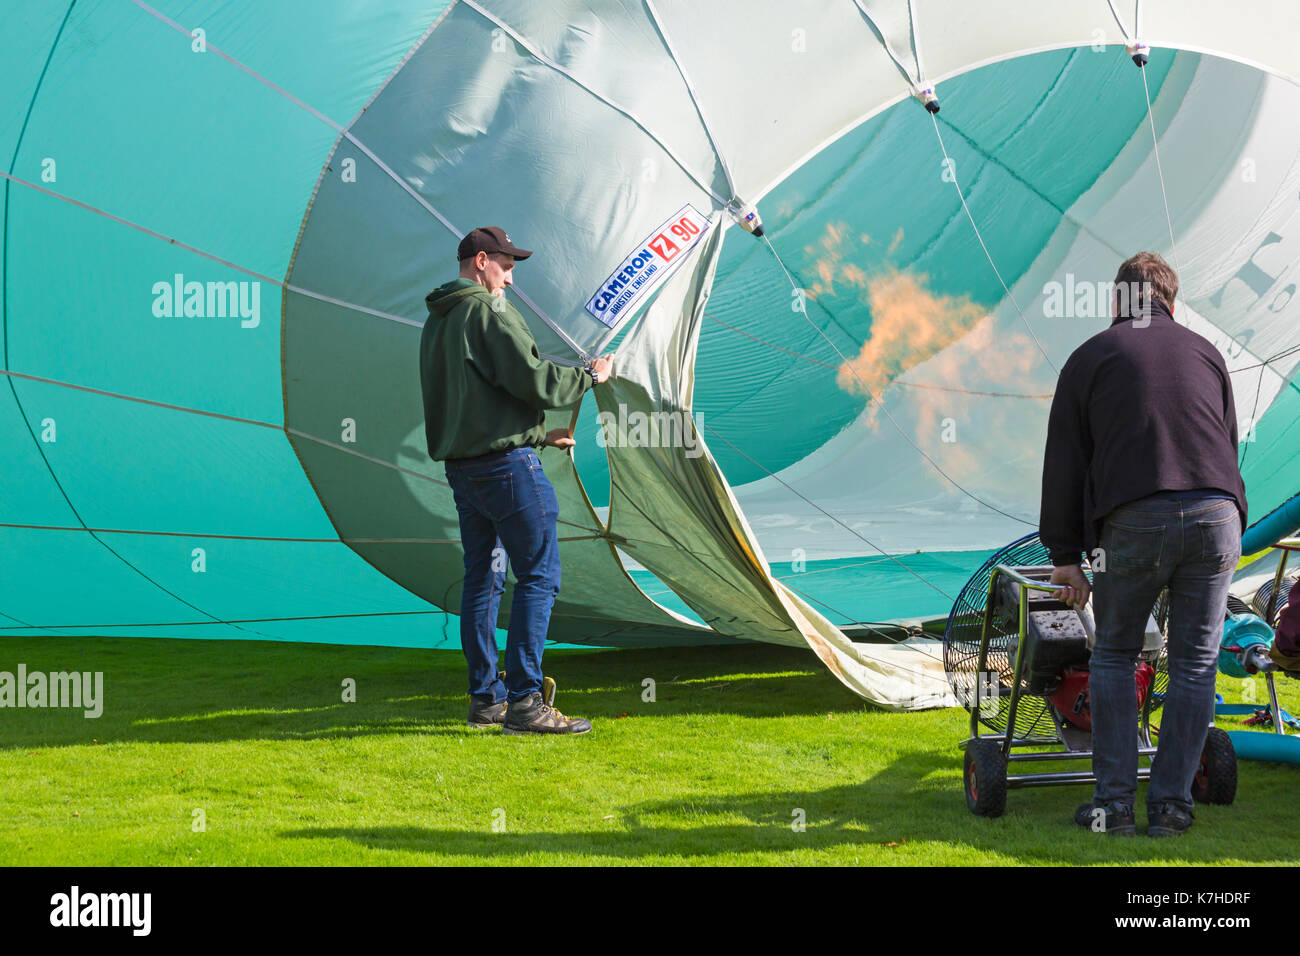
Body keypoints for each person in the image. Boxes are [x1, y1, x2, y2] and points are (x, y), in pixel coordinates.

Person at [1039, 251, 1247, 837]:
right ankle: (1173, 807)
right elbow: (1226, 446)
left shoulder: (1090, 358)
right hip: (1216, 514)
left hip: (1134, 520)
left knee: (1113, 655)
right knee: (1195, 663)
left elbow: (1065, 465)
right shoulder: (1206, 353)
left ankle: (1114, 806)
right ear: (1171, 304)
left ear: (1117, 301)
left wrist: (1065, 557)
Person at [420, 226, 613, 735]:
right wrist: (588, 375)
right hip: (507, 472)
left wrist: (537, 436)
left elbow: (474, 401)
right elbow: (532, 379)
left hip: (465, 472)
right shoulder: (486, 311)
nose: (510, 278)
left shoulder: (437, 320)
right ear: (481, 261)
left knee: (482, 581)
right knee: (540, 575)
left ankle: (486, 700)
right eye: (506, 267)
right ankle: (527, 701)